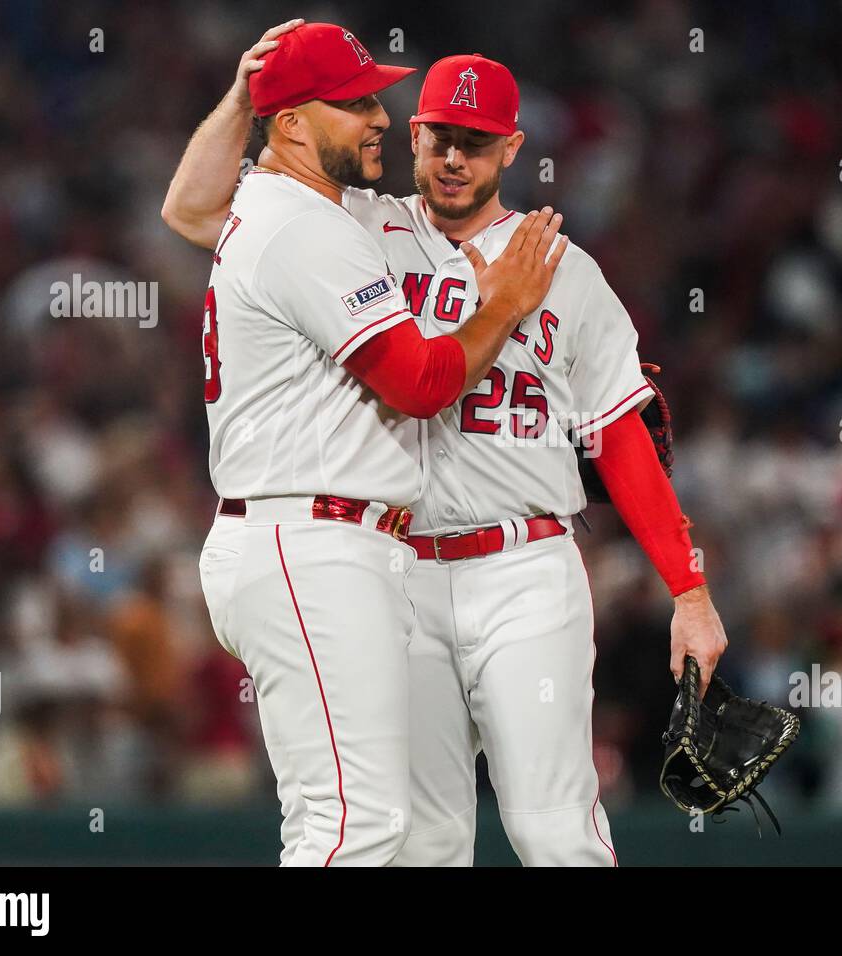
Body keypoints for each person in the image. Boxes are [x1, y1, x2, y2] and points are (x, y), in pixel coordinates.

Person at [165, 27, 726, 866]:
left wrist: (688, 590)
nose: (455, 159)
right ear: (415, 136)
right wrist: (249, 95)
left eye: (476, 142)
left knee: (550, 828)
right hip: (397, 573)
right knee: (420, 841)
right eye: (439, 138)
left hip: (522, 567)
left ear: (512, 148)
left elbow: (617, 434)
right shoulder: (352, 225)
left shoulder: (559, 267)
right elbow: (195, 210)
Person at [175, 20, 567, 866]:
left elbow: (185, 208)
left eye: (377, 96)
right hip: (307, 540)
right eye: (352, 103)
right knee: (350, 827)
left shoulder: (288, 204)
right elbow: (422, 385)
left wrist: (245, 95)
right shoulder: (302, 229)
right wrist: (500, 303)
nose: (380, 116)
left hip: (325, 537)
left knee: (396, 831)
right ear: (290, 127)